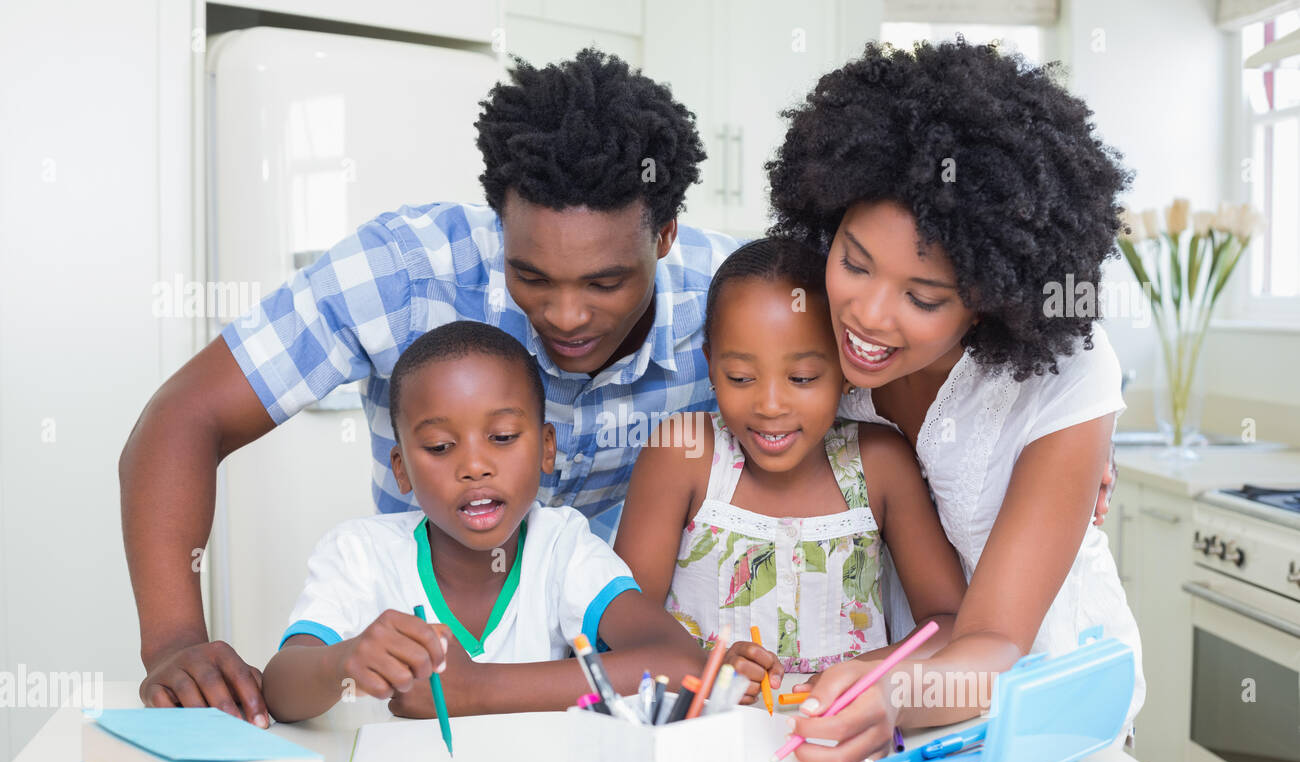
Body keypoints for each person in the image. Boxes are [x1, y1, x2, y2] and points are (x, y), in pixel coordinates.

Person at [119, 49, 737, 725]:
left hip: (618, 704)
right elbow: (184, 415)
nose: (566, 315)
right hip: (416, 714)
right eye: (531, 276)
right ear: (501, 222)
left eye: (605, 283)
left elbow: (862, 422)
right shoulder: (405, 272)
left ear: (667, 235)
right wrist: (176, 641)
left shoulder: (734, 306)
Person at [765, 40, 1146, 762]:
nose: (868, 318)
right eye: (855, 261)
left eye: (925, 298)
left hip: (1044, 704)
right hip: (893, 704)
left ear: (994, 296)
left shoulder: (1063, 372)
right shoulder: (805, 329)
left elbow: (1000, 638)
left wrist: (894, 697)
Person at [262, 322, 706, 722]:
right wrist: (339, 663)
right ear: (400, 469)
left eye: (503, 438)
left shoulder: (561, 547)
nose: (475, 466)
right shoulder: (359, 554)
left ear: (547, 449)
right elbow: (281, 690)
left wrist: (479, 688)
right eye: (439, 447)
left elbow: (681, 663)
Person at [615, 237, 966, 703]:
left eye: (802, 379)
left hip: (842, 737)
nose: (770, 405)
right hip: (707, 736)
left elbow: (949, 621)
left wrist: (868, 672)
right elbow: (620, 620)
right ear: (710, 365)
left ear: (846, 369)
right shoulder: (683, 455)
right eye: (740, 377)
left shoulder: (879, 464)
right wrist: (702, 665)